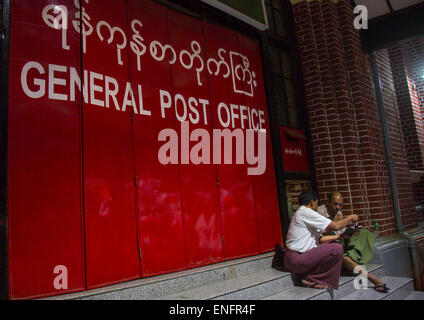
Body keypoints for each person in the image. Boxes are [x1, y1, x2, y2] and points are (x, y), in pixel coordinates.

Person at [284, 190, 359, 290]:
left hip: (296, 259)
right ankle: (312, 278)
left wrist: (340, 236)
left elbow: (321, 237)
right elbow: (336, 226)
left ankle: (312, 275)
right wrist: (351, 217)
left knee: (332, 243)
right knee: (336, 248)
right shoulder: (306, 212)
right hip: (296, 260)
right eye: (316, 203)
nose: (317, 206)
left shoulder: (300, 213)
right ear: (312, 202)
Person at [317, 192, 390, 293]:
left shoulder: (339, 213)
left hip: (338, 241)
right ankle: (373, 279)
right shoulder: (319, 212)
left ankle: (356, 260)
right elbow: (319, 237)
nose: (338, 207)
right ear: (328, 202)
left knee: (364, 233)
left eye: (340, 205)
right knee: (344, 255)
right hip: (326, 245)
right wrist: (336, 224)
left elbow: (341, 233)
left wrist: (349, 233)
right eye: (335, 204)